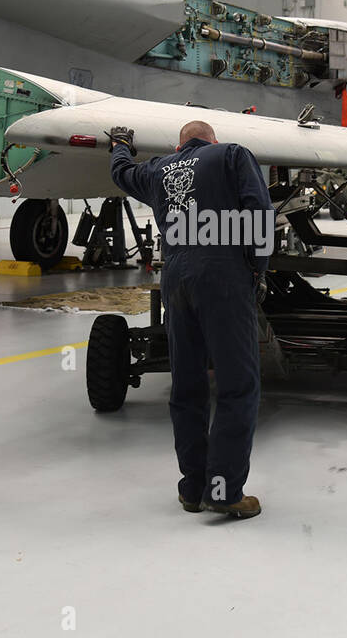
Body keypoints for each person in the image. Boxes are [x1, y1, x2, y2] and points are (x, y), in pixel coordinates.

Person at [108, 120, 273, 519]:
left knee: (187, 386)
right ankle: (224, 490)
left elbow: (121, 174)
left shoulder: (158, 168)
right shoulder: (232, 154)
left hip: (176, 277)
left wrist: (119, 145)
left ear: (180, 144)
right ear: (210, 139)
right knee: (237, 385)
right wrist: (257, 270)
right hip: (223, 272)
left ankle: (192, 488)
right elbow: (259, 212)